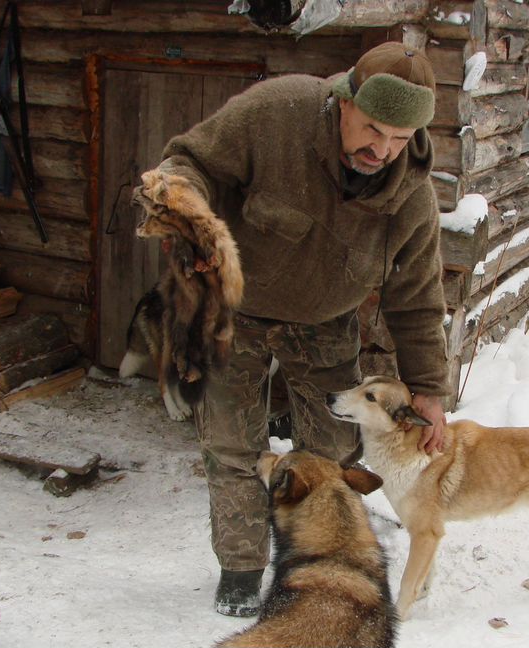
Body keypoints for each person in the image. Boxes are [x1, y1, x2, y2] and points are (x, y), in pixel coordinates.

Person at [135, 41, 450, 617]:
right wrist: (186, 209)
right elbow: (190, 161)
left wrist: (429, 390)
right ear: (344, 100)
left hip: (325, 318)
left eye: (400, 140)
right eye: (373, 130)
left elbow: (419, 299)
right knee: (232, 442)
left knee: (332, 449)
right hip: (232, 306)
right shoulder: (275, 113)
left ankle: (319, 556)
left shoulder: (412, 200)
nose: (382, 150)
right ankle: (241, 566)